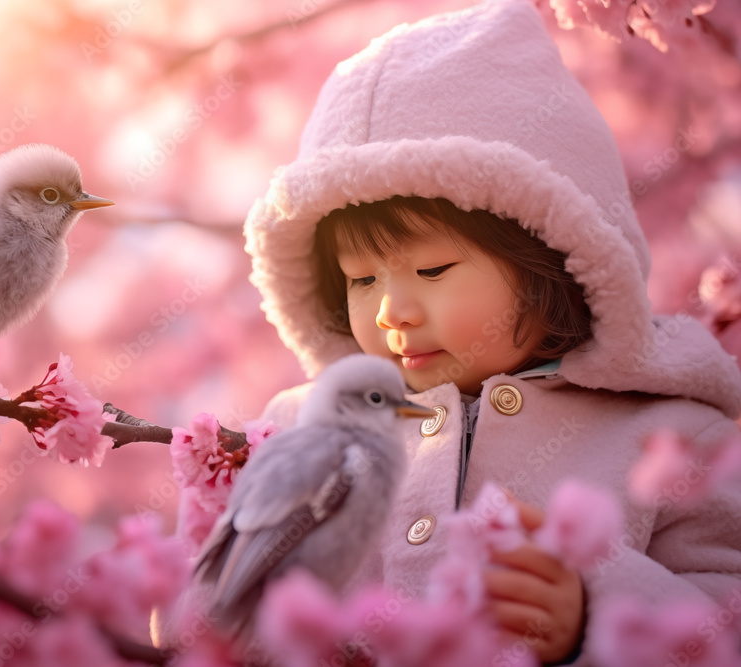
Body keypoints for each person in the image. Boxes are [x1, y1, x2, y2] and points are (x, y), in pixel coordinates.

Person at [243, 0, 741, 664]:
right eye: (360, 281)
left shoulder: (670, 438)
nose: (390, 310)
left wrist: (593, 611)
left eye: (433, 267)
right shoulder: (300, 430)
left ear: (555, 255)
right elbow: (203, 610)